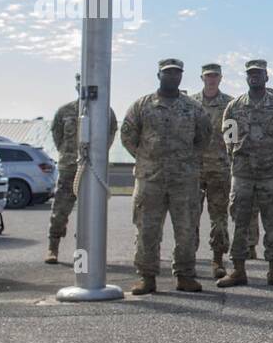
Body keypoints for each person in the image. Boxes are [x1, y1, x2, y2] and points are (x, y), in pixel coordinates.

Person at [119, 58, 211, 294]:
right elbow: (128, 134)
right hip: (150, 179)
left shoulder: (193, 108)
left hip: (184, 180)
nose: (172, 77)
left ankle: (185, 275)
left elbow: (204, 138)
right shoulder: (143, 105)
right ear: (158, 75)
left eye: (176, 73)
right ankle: (147, 277)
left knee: (186, 230)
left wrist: (188, 161)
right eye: (167, 73)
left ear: (182, 76)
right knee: (147, 230)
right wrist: (145, 157)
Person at [216, 60, 273, 290]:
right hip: (243, 174)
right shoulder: (234, 107)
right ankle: (238, 269)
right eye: (250, 74)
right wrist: (237, 158)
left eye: (258, 74)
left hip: (271, 174)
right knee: (239, 222)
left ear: (267, 77)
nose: (254, 77)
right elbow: (228, 136)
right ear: (246, 77)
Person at [47, 75, 118, 265]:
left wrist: (98, 156)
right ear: (76, 86)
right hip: (69, 168)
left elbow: (110, 134)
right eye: (80, 83)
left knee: (90, 213)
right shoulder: (64, 111)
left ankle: (84, 253)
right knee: (60, 210)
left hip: (93, 169)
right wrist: (69, 155)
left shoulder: (105, 111)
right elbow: (57, 136)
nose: (83, 87)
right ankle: (53, 247)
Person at [189, 62, 233, 278]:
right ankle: (189, 260)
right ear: (202, 78)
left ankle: (217, 260)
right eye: (208, 76)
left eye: (215, 75)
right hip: (194, 170)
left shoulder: (229, 105)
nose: (212, 79)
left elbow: (234, 138)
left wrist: (231, 161)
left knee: (219, 217)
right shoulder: (191, 104)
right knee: (190, 216)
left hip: (219, 169)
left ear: (221, 78)